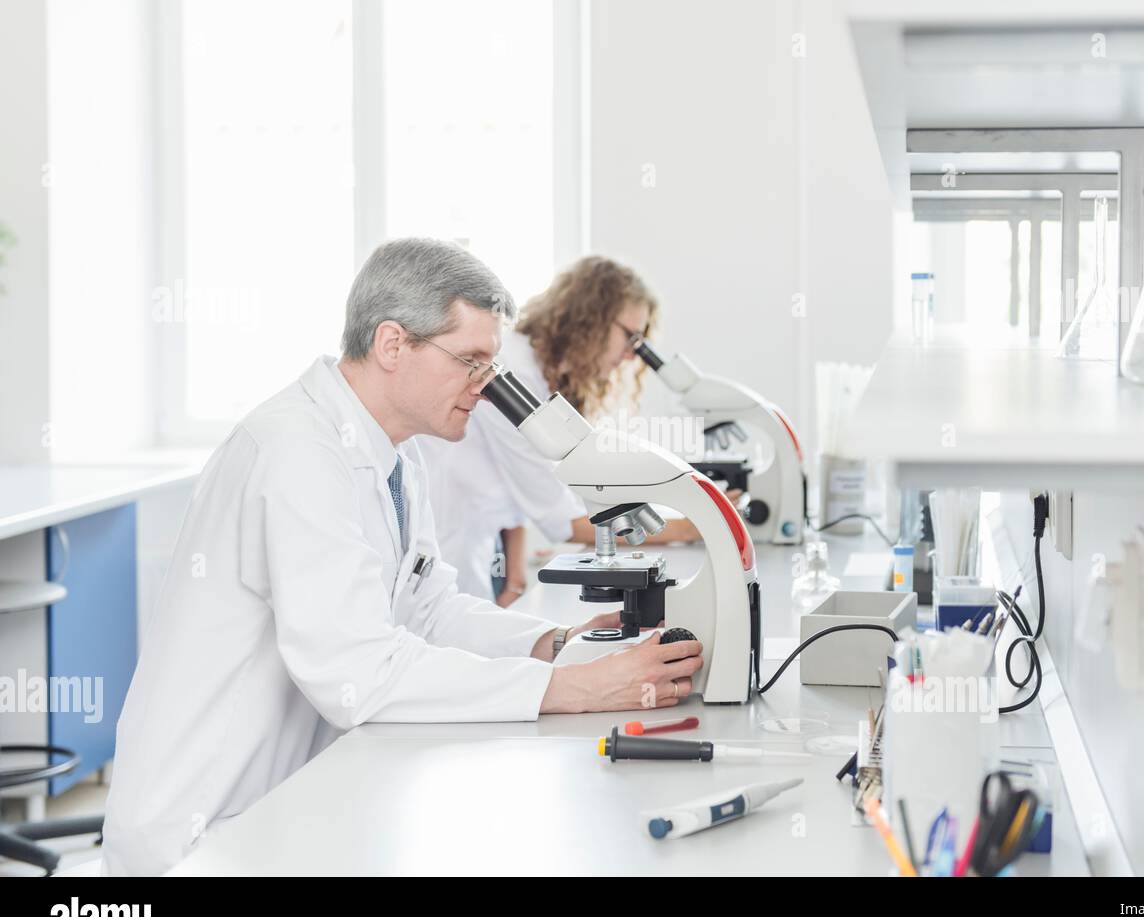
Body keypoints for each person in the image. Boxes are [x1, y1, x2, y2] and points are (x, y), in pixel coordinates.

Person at [102, 239, 703, 875]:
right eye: (471, 361)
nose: (486, 387)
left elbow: (428, 606)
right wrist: (573, 688)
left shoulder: (394, 451)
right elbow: (357, 672)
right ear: (393, 344)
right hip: (200, 829)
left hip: (286, 804)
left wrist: (552, 643)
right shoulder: (297, 453)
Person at [421, 256, 699, 607]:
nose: (632, 355)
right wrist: (694, 528)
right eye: (632, 337)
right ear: (591, 318)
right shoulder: (514, 374)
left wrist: (516, 577)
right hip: (448, 549)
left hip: (481, 547)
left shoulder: (535, 370)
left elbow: (515, 482)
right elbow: (562, 520)